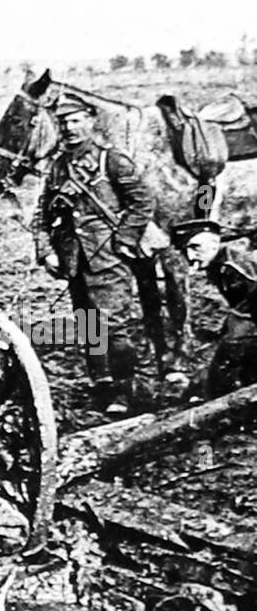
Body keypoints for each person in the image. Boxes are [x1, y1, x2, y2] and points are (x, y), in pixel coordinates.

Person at [33, 94, 157, 416]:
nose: (70, 128)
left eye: (76, 120)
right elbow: (41, 213)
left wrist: (124, 241)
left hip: (107, 259)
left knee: (113, 327)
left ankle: (124, 392)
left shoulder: (111, 160)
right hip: (73, 260)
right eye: (64, 122)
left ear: (91, 120)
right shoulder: (58, 167)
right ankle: (100, 384)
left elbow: (143, 201)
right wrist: (46, 250)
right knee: (89, 326)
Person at [171, 219, 257, 397]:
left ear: (214, 244)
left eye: (195, 247)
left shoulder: (234, 263)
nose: (191, 256)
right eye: (186, 249)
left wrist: (237, 325)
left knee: (231, 350)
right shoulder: (217, 264)